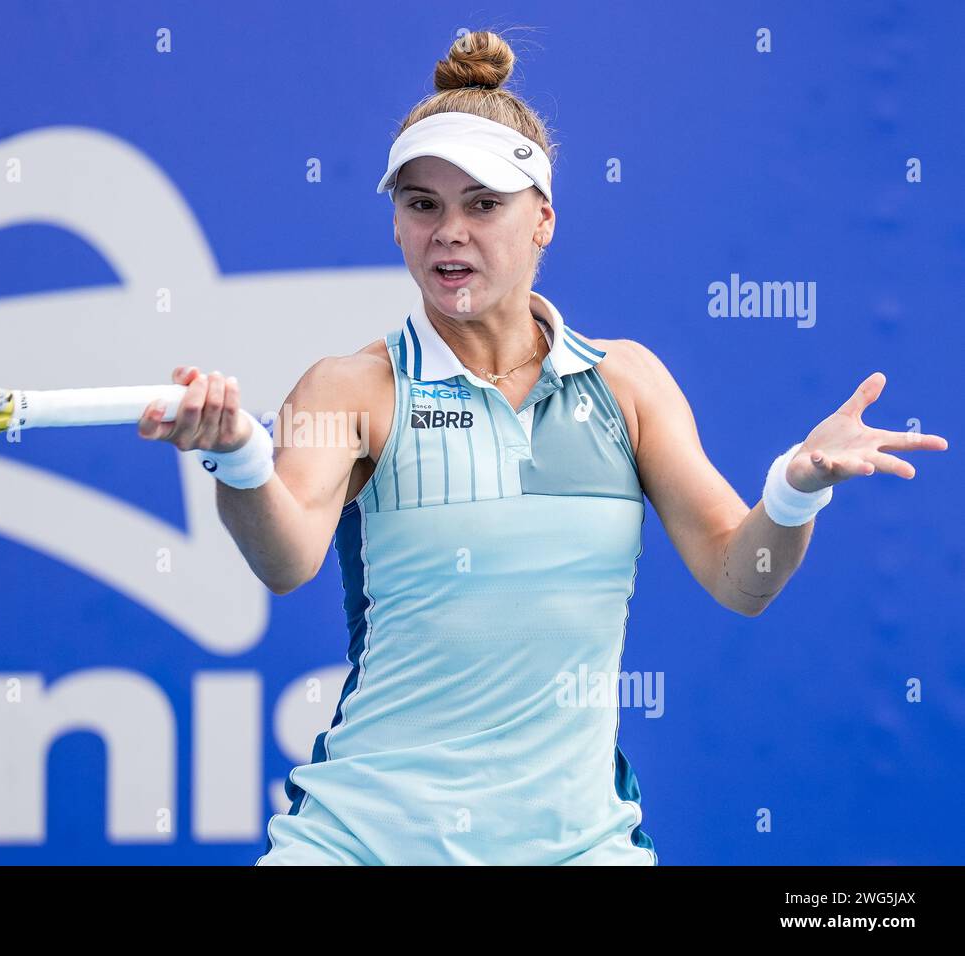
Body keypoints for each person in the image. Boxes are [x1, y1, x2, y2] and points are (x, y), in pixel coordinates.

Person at [136, 30, 948, 865]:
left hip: (581, 847)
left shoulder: (626, 384)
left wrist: (796, 487)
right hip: (361, 844)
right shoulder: (353, 388)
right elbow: (285, 558)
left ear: (544, 220)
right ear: (397, 223)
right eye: (422, 204)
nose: (449, 231)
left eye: (483, 203)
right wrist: (237, 456)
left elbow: (743, 580)